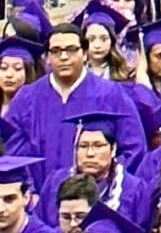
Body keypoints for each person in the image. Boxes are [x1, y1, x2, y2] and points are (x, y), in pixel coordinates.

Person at [6, 25, 147, 186]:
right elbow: (13, 152)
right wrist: (29, 190)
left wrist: (105, 186)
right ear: (47, 57)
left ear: (85, 54)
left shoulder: (111, 95)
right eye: (56, 50)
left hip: (97, 197)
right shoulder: (26, 98)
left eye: (71, 49)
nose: (64, 56)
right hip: (38, 200)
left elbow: (133, 148)